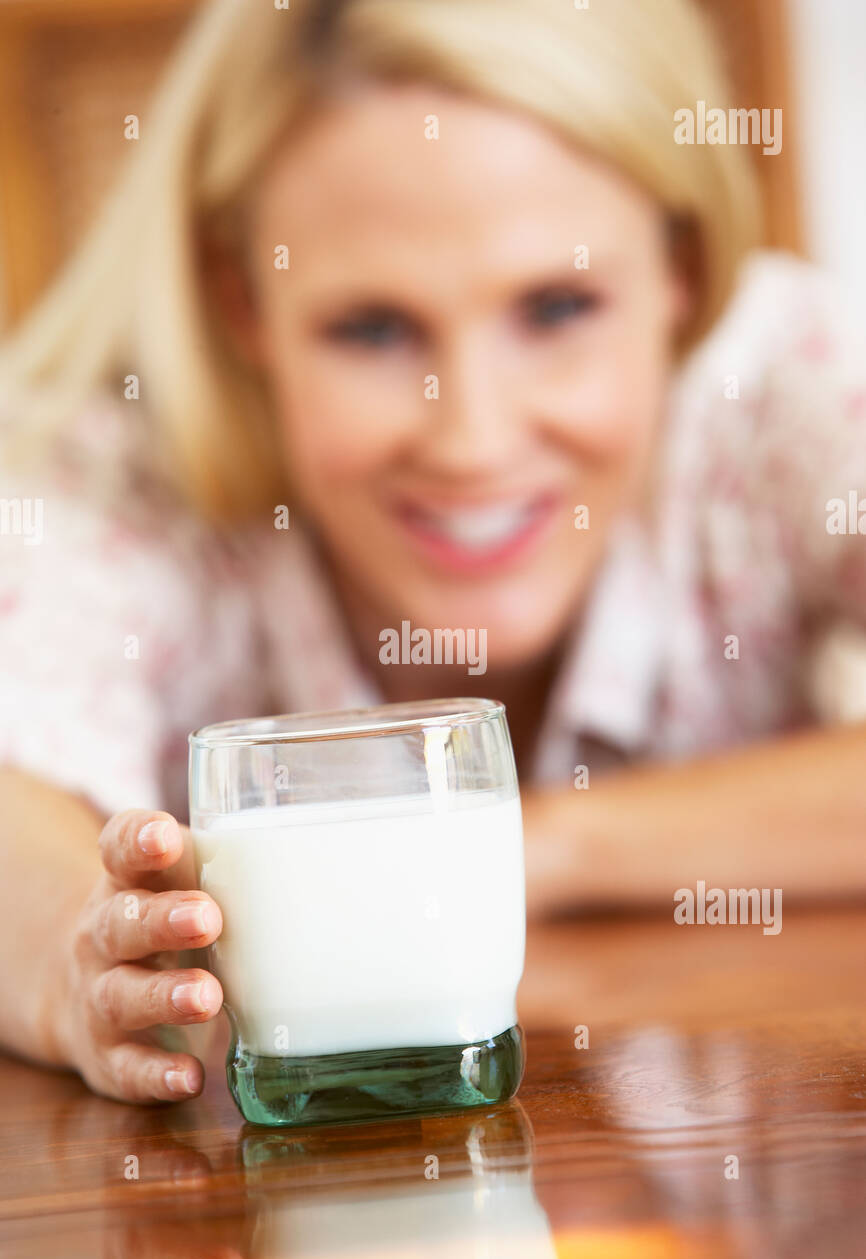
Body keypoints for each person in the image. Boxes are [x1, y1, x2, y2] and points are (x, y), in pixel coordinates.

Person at [1, 0, 865, 1104]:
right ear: (242, 304)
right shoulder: (119, 477)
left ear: (680, 269)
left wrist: (538, 846)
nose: (472, 436)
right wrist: (78, 955)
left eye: (556, 306)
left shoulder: (780, 382)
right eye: (371, 328)